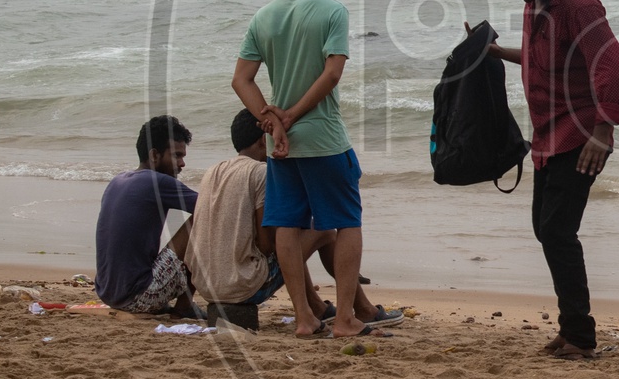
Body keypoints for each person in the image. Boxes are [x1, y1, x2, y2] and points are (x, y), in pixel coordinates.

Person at [486, 0, 619, 361]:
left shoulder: (578, 6)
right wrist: (494, 52)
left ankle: (581, 337)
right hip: (548, 136)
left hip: (581, 137)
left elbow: (617, 72)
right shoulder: (537, 4)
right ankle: (571, 328)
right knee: (545, 229)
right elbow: (541, 61)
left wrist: (602, 134)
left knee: (557, 231)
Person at [232, 0, 371, 338]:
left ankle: (304, 318)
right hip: (324, 138)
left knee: (287, 226)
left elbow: (241, 79)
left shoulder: (262, 18)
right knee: (347, 222)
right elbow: (331, 74)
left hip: (281, 146)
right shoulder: (331, 10)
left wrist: (271, 120)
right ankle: (344, 317)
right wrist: (291, 115)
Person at [186, 110, 401, 326]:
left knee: (292, 235)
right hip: (243, 287)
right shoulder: (261, 173)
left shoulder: (213, 171)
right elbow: (268, 244)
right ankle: (363, 308)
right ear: (264, 140)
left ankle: (318, 307)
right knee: (323, 231)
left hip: (206, 285)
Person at [94, 115, 200, 316]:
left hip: (107, 293)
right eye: (176, 156)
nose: (182, 163)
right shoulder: (157, 182)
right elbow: (213, 207)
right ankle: (184, 308)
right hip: (138, 296)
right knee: (203, 217)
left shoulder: (117, 181)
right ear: (154, 155)